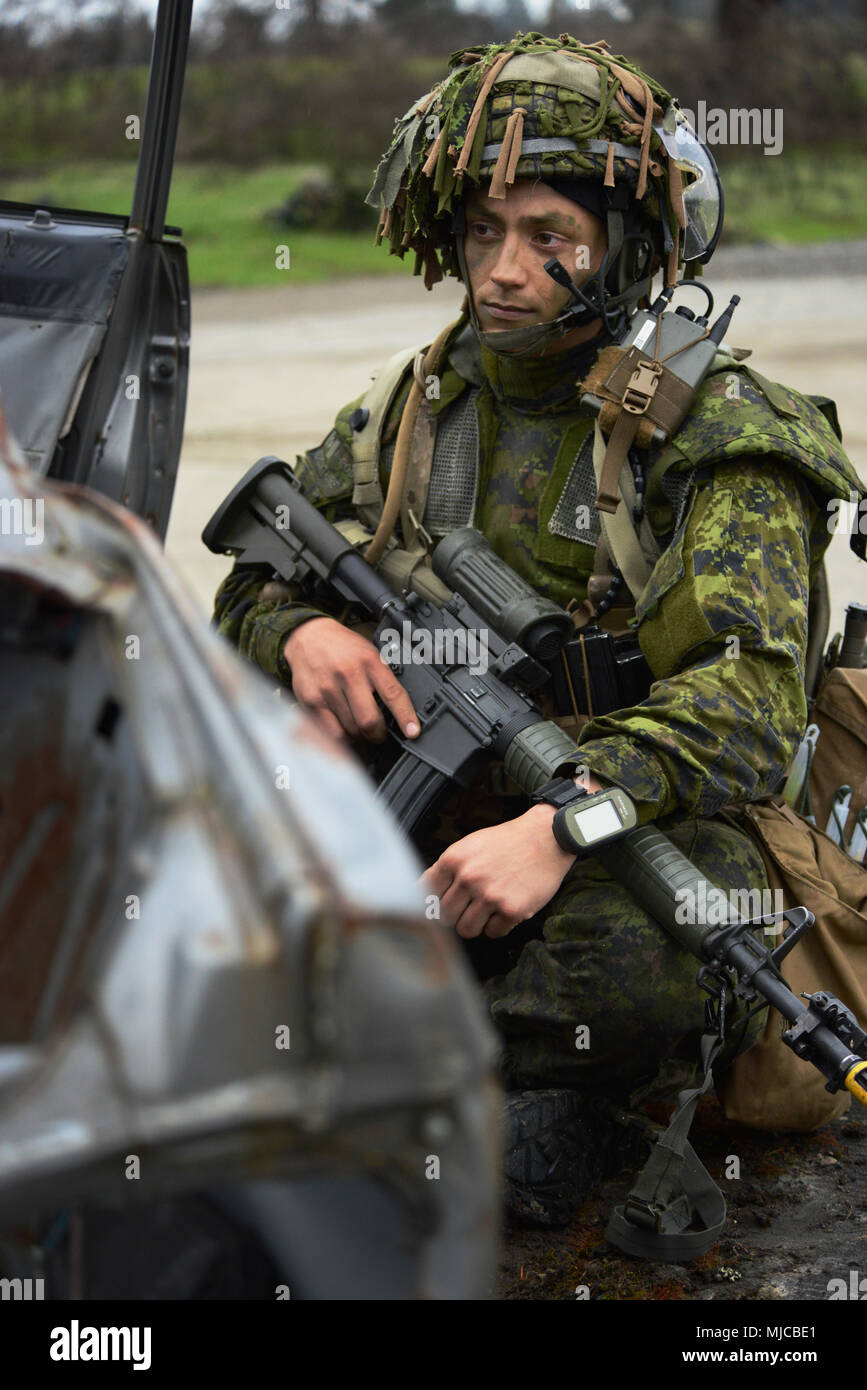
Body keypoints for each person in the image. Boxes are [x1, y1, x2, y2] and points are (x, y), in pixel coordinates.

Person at [213, 33, 864, 1224]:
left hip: (633, 820)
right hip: (438, 785)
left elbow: (750, 713)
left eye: (550, 239)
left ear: (628, 251)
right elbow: (250, 578)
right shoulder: (414, 407)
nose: (503, 271)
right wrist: (299, 634)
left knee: (650, 951)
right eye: (483, 233)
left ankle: (518, 1087)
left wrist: (565, 823)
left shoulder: (716, 432)